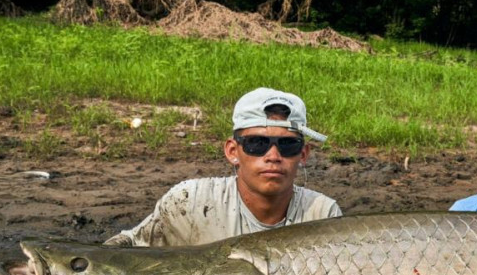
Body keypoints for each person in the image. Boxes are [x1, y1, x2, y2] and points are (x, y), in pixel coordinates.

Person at [104, 87, 341, 247]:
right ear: (232, 151)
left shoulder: (322, 214)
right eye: (257, 143)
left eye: (288, 145)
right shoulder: (190, 202)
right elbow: (126, 248)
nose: (273, 155)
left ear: (303, 154)